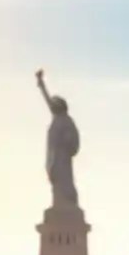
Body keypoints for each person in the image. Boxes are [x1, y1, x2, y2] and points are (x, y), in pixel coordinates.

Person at [35, 69, 80, 207]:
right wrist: (41, 83)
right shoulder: (57, 118)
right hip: (54, 158)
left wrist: (67, 140)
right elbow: (47, 100)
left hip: (63, 158)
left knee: (64, 182)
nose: (53, 106)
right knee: (57, 185)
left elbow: (74, 141)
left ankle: (68, 204)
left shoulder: (66, 121)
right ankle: (61, 205)